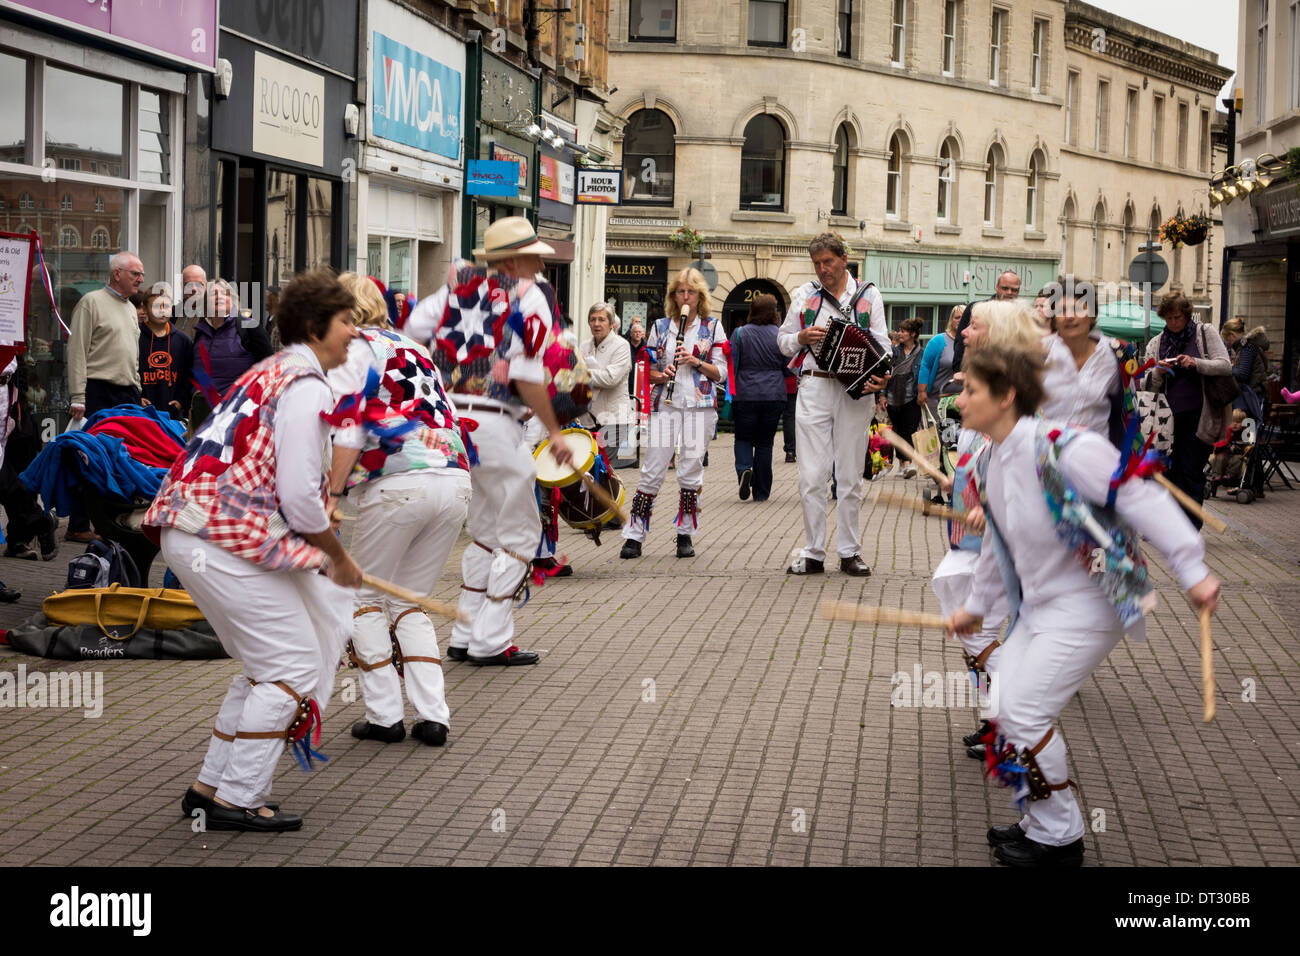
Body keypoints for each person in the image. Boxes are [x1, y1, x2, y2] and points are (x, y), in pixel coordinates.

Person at [948, 345, 1218, 867]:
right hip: (1044, 604)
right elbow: (999, 546)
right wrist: (977, 605)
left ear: (1006, 397)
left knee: (1023, 710)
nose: (959, 401)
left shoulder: (1065, 447)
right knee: (1006, 707)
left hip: (1094, 600)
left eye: (970, 391)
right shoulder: (997, 459)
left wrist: (1193, 570)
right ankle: (1040, 822)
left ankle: (1060, 837)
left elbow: (1140, 496)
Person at [145, 269, 363, 833]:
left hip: (192, 528)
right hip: (213, 537)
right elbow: (295, 493)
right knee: (293, 666)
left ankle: (209, 789)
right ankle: (238, 798)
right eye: (347, 323)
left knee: (268, 666)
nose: (354, 335)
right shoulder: (307, 384)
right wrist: (335, 556)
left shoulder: (272, 370)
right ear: (316, 327)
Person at [406, 216, 574, 666]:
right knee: (520, 534)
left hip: (449, 426)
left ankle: (465, 631)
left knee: (483, 530)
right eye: (534, 257)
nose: (539, 266)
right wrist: (555, 432)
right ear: (514, 259)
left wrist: (440, 388)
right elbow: (525, 375)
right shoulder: (530, 296)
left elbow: (411, 339)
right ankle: (490, 640)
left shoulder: (453, 289)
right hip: (495, 423)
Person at [325, 272, 470, 747]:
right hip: (453, 475)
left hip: (397, 481)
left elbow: (348, 425)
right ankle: (434, 717)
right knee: (410, 602)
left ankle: (385, 716)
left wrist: (331, 491)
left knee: (362, 600)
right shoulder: (414, 347)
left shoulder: (355, 349)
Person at [778, 233, 889, 576]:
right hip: (814, 386)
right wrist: (800, 338)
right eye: (817, 264)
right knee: (811, 475)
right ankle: (813, 552)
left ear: (843, 259)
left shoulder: (869, 295)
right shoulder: (803, 295)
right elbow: (782, 343)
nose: (822, 269)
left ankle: (849, 551)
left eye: (827, 262)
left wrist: (882, 378)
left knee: (850, 476)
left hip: (856, 392)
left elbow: (884, 345)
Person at [620, 268, 727, 559]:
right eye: (680, 291)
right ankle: (635, 535)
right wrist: (661, 375)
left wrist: (694, 360)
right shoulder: (659, 327)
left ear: (699, 296)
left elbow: (721, 373)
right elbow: (647, 371)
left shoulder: (713, 327)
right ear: (673, 296)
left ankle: (685, 534)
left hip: (699, 406)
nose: (685, 296)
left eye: (690, 292)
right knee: (652, 468)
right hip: (664, 406)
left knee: (691, 469)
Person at [66, 250, 145, 542]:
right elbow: (76, 351)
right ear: (117, 274)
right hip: (97, 390)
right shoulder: (91, 303)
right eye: (135, 274)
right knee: (89, 459)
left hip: (126, 393)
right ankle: (77, 524)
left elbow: (131, 353)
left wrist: (137, 388)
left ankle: (109, 520)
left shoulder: (128, 308)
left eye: (141, 274)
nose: (140, 279)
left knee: (123, 459)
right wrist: (77, 395)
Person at [1142, 293, 1232, 529]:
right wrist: (1158, 372)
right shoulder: (1157, 342)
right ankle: (1170, 526)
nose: (1173, 322)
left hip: (1199, 416)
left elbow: (1225, 365)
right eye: (1169, 318)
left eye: (1178, 317)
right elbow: (1146, 383)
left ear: (1186, 314)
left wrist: (1196, 363)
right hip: (1165, 420)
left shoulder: (1204, 333)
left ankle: (1190, 526)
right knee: (1168, 473)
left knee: (1191, 471)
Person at [1040, 279, 1122, 440]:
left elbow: (1126, 413)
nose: (1069, 316)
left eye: (1079, 309)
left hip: (1095, 458)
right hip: (1044, 457)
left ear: (1093, 315)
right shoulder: (1039, 353)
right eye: (1062, 310)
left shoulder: (1115, 356)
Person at [729, 293, 787, 502]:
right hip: (774, 394)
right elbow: (789, 368)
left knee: (743, 437)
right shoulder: (780, 335)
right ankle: (761, 492)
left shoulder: (739, 334)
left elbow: (732, 365)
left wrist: (730, 392)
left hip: (746, 393)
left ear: (752, 310)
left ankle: (745, 468)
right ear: (774, 312)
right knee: (765, 443)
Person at [581, 302, 633, 463]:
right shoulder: (584, 346)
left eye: (601, 320)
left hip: (614, 420)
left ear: (611, 324)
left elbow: (610, 378)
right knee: (587, 471)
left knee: (603, 469)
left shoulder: (621, 346)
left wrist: (580, 373)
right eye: (593, 319)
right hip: (587, 420)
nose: (596, 324)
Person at [138, 290, 194, 422]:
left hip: (173, 416)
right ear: (145, 309)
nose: (162, 311)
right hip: (140, 413)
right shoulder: (134, 336)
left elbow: (190, 375)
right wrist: (135, 397)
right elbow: (125, 371)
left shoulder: (183, 341)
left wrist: (182, 401)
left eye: (166, 306)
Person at [951, 269, 1022, 373]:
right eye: (1005, 288)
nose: (1009, 292)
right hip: (975, 375)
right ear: (996, 287)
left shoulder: (1022, 317)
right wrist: (962, 371)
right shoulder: (975, 308)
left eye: (1014, 290)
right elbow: (960, 345)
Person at [884, 316, 925, 479]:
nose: (899, 334)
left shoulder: (921, 353)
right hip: (893, 397)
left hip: (912, 398)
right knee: (898, 431)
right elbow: (886, 373)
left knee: (909, 431)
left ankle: (907, 463)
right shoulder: (893, 351)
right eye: (899, 330)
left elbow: (924, 374)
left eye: (903, 331)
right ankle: (902, 463)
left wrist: (923, 392)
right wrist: (882, 395)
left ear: (913, 334)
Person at [1219, 317, 1270, 419]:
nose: (1228, 344)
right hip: (1252, 396)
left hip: (1250, 399)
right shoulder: (1247, 347)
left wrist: (1227, 368)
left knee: (1247, 433)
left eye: (1227, 340)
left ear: (1232, 335)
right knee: (1247, 432)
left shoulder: (1247, 348)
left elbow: (1243, 374)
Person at [918, 306, 961, 419]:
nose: (960, 320)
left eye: (964, 317)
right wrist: (922, 391)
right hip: (937, 399)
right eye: (957, 317)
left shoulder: (971, 342)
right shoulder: (938, 341)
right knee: (938, 434)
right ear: (951, 320)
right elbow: (925, 366)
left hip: (962, 400)